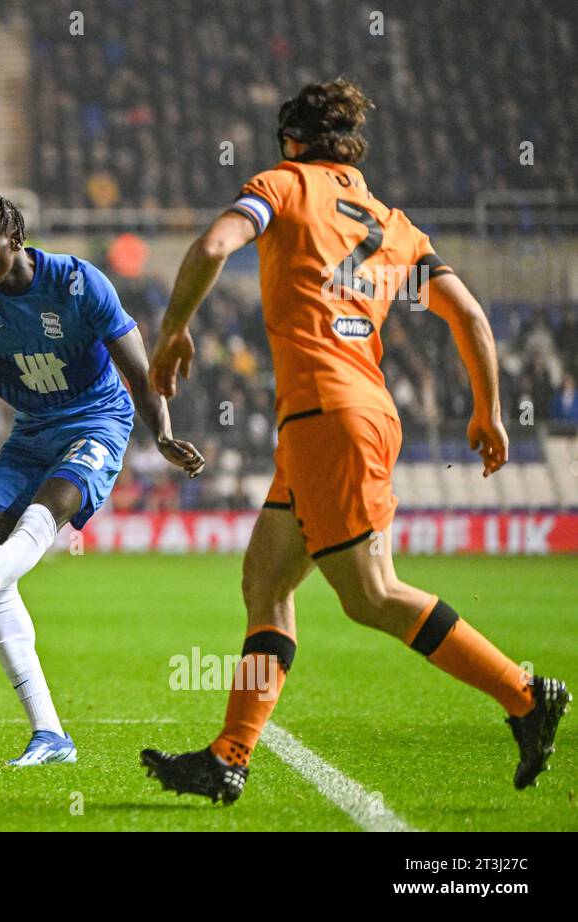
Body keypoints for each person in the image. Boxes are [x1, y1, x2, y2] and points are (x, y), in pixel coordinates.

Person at [142, 79, 567, 803]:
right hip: (352, 411)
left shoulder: (283, 185)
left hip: (325, 416)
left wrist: (174, 328)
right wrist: (487, 411)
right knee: (265, 581)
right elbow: (468, 314)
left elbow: (215, 243)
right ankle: (229, 755)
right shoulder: (394, 226)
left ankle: (526, 696)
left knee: (371, 595)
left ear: (291, 142)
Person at [0, 195, 205, 766]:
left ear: (15, 240)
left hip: (98, 419)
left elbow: (138, 371)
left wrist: (162, 434)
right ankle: (50, 734)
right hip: (31, 431)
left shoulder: (78, 283)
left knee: (42, 516)